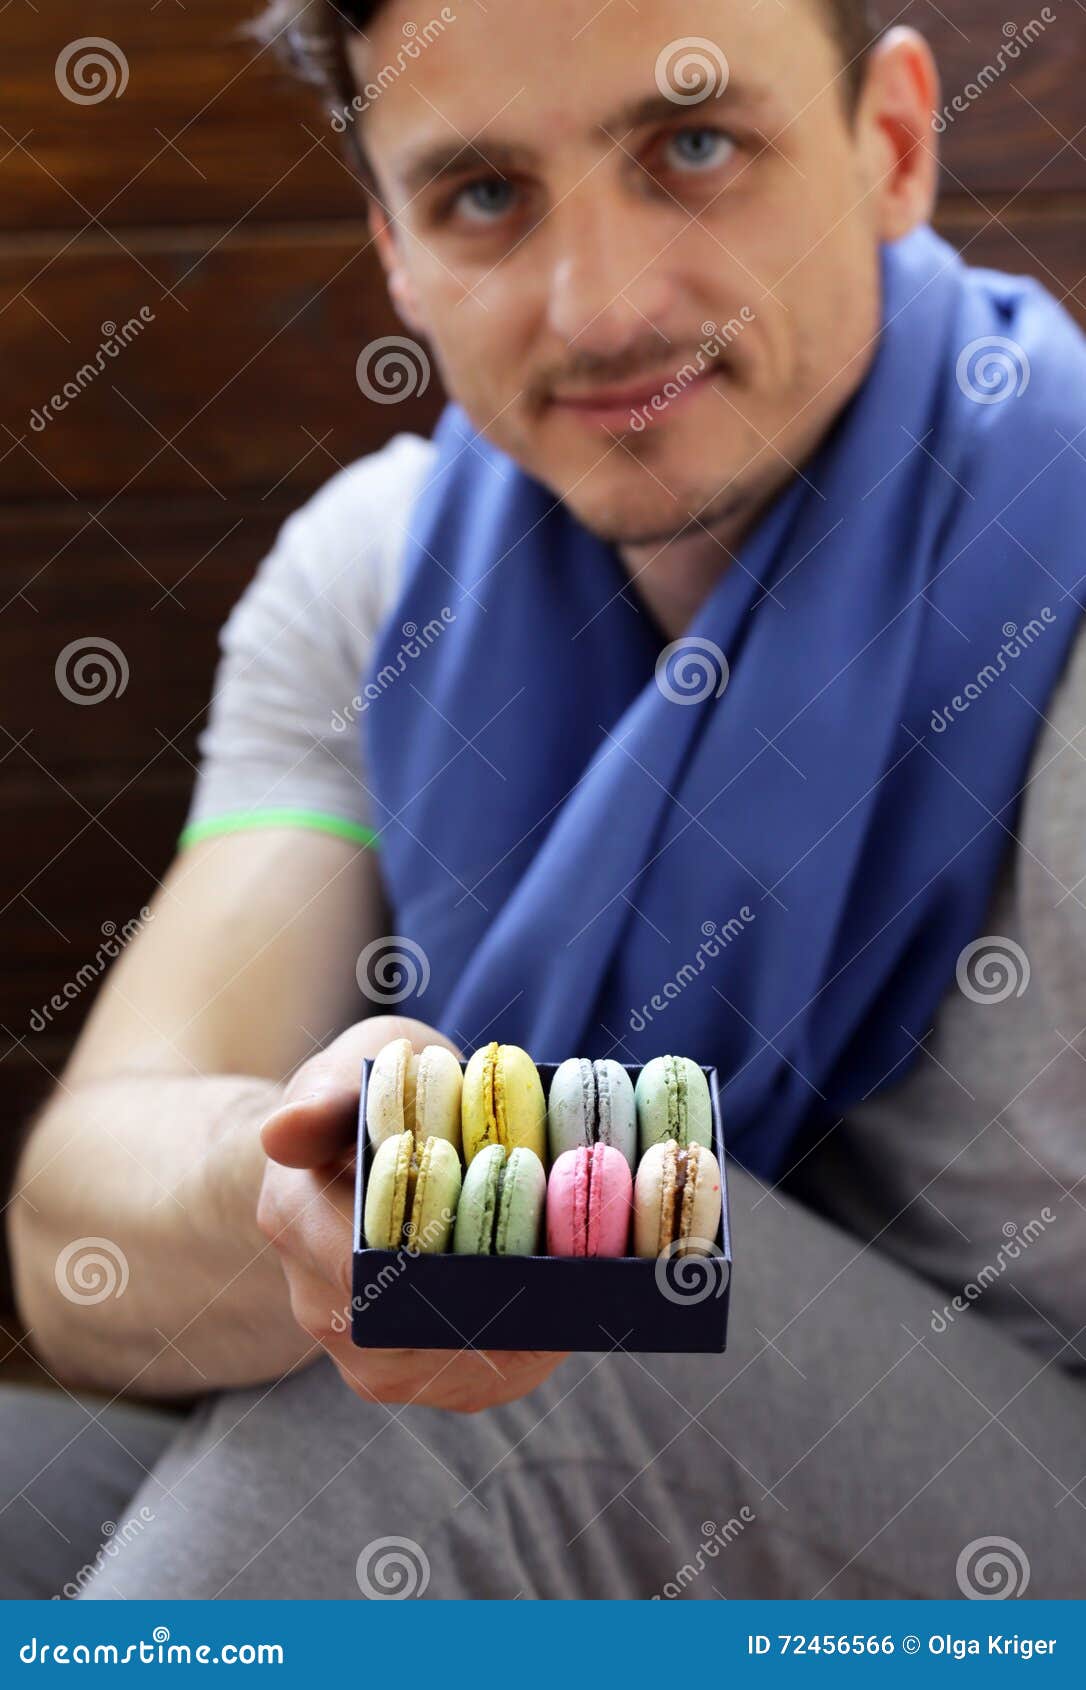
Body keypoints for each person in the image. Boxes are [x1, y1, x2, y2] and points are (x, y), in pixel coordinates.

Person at [3, 0, 1085, 1600]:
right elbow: (75, 1226)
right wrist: (304, 1173)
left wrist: (466, 1207)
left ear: (894, 146)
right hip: (601, 1526)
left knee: (530, 1271)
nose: (603, 306)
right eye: (485, 196)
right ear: (393, 249)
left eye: (694, 147)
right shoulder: (376, 580)